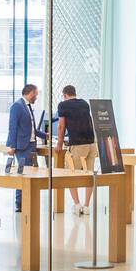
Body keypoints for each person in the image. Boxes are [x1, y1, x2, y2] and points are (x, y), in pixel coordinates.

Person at [56, 85, 97, 215]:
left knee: (70, 174)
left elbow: (61, 127)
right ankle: (87, 206)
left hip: (78, 145)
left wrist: (59, 144)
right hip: (91, 144)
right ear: (75, 93)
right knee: (89, 175)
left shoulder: (63, 105)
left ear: (65, 95)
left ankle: (77, 205)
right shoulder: (84, 104)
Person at [5, 84, 39, 213]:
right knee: (22, 174)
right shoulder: (17, 106)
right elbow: (12, 127)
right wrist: (12, 146)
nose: (36, 97)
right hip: (22, 147)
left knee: (30, 174)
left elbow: (32, 128)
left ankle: (28, 201)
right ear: (30, 93)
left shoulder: (28, 106)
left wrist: (44, 135)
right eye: (35, 94)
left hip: (31, 145)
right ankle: (19, 204)